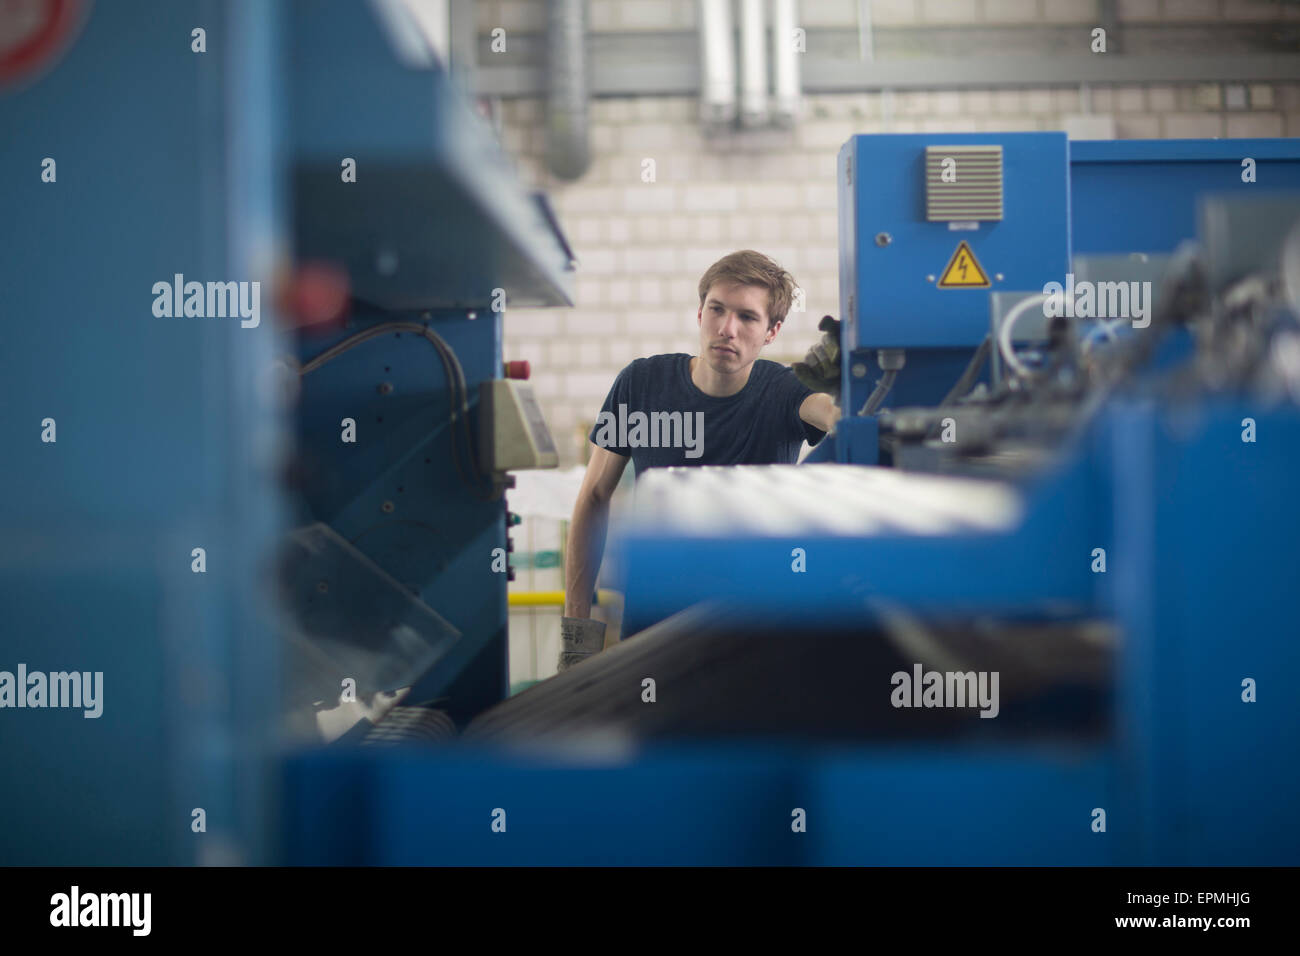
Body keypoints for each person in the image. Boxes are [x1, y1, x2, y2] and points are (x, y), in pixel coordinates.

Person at [557, 249, 842, 672]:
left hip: (757, 628)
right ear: (699, 313)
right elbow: (595, 496)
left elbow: (838, 418)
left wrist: (847, 384)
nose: (727, 328)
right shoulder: (641, 384)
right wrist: (578, 634)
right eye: (717, 309)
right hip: (655, 623)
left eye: (747, 317)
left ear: (772, 332)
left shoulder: (785, 390)